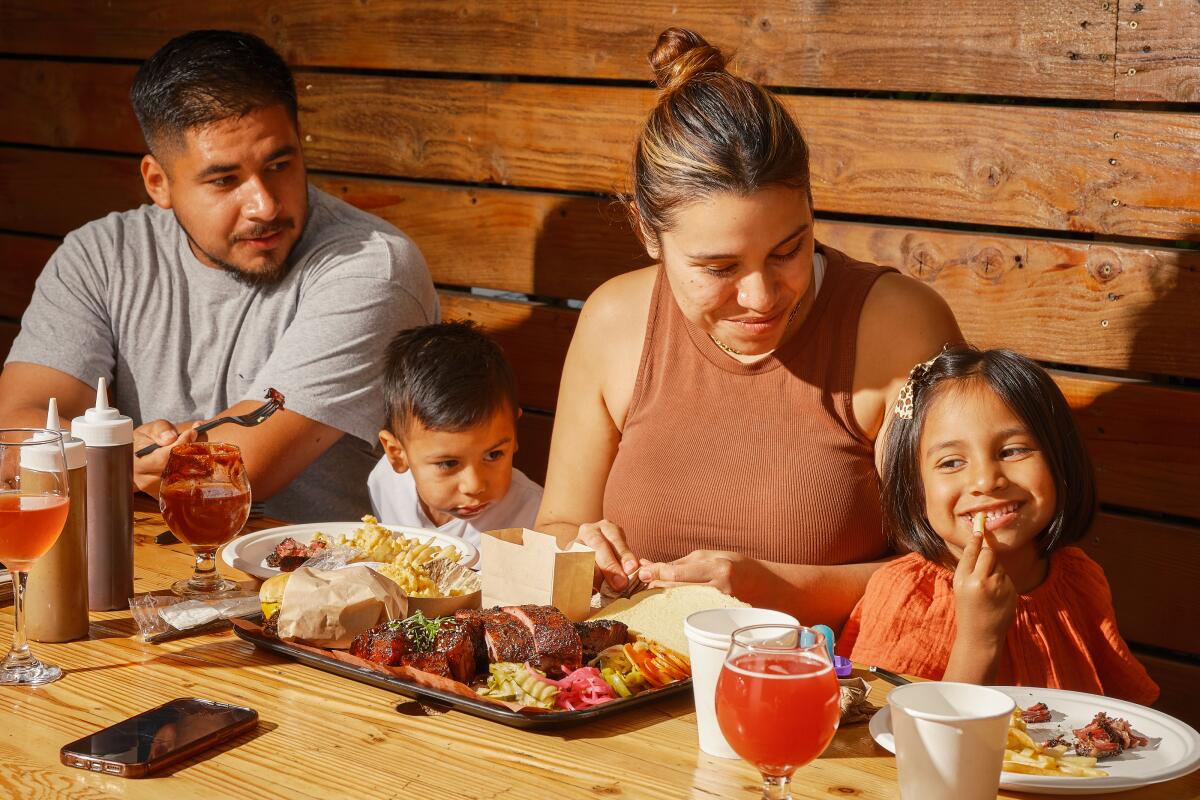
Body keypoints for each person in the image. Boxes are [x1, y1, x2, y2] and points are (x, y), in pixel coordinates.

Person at [534, 28, 961, 628]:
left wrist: (774, 590)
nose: (760, 298)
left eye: (788, 251)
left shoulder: (898, 328)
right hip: (628, 677)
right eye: (719, 268)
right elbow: (557, 526)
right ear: (646, 232)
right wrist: (582, 551)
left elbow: (956, 570)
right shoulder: (613, 321)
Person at [0, 30, 437, 522]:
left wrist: (107, 455)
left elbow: (235, 473)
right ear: (158, 183)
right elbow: (17, 431)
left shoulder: (371, 265)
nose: (264, 205)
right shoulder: (101, 255)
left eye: (280, 164)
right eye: (225, 180)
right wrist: (116, 455)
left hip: (324, 567)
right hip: (146, 559)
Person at [838, 346, 1158, 703]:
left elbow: (1131, 712)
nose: (986, 481)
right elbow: (895, 728)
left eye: (1013, 451)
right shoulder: (907, 595)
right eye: (951, 462)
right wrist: (980, 640)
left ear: (1060, 459)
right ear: (914, 488)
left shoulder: (1079, 579)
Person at [369, 322, 542, 549]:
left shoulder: (533, 517)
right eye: (448, 463)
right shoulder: (385, 483)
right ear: (396, 454)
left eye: (493, 455)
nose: (474, 485)